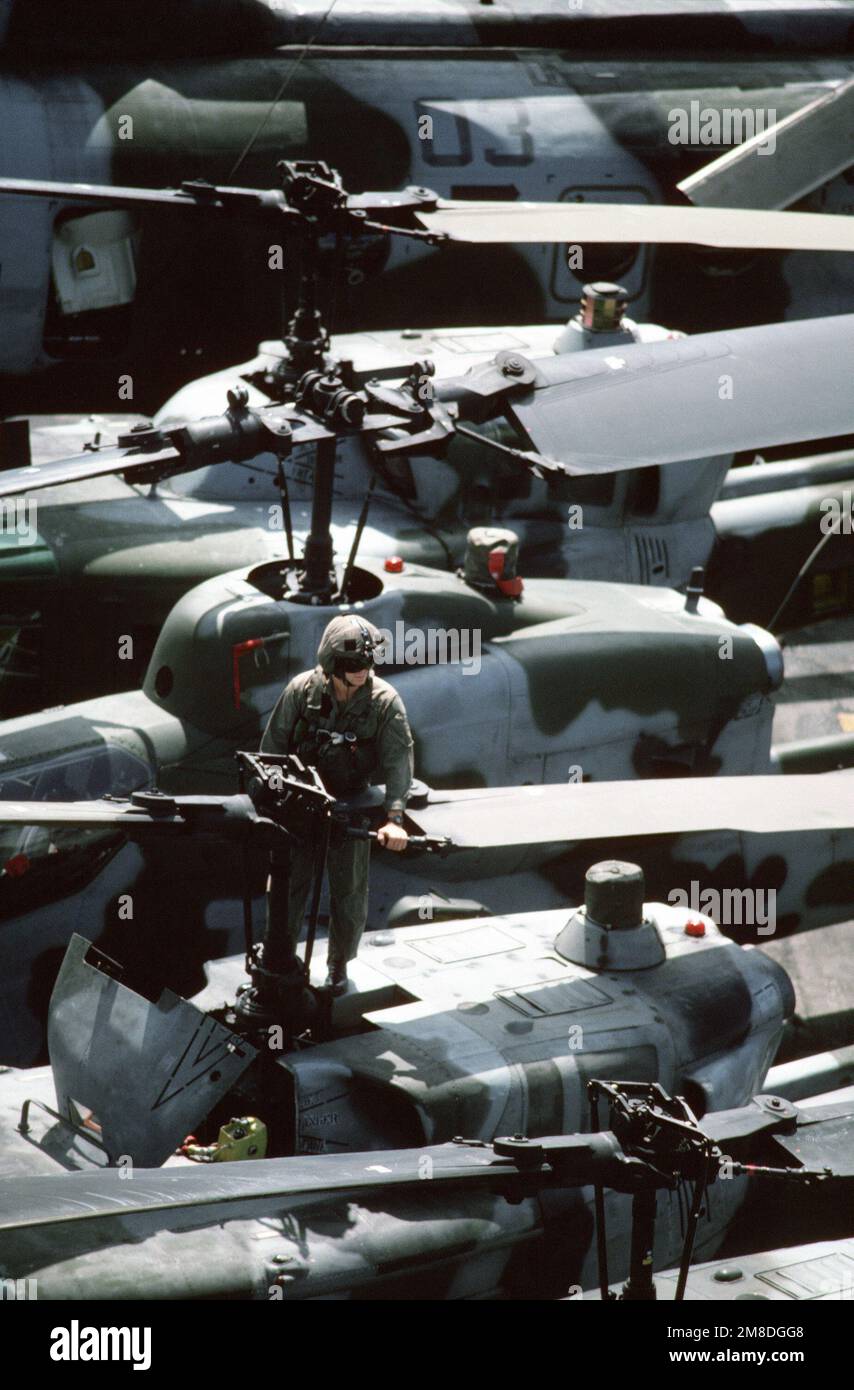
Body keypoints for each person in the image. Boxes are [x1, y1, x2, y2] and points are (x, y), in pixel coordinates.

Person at [260, 614, 413, 993]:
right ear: (332, 665)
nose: (363, 671)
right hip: (300, 807)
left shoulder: (384, 702)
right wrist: (273, 799)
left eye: (367, 664)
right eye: (353, 665)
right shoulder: (301, 691)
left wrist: (395, 817)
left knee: (349, 893)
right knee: (287, 886)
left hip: (351, 810)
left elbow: (399, 761)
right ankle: (277, 958)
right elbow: (272, 750)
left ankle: (338, 967)